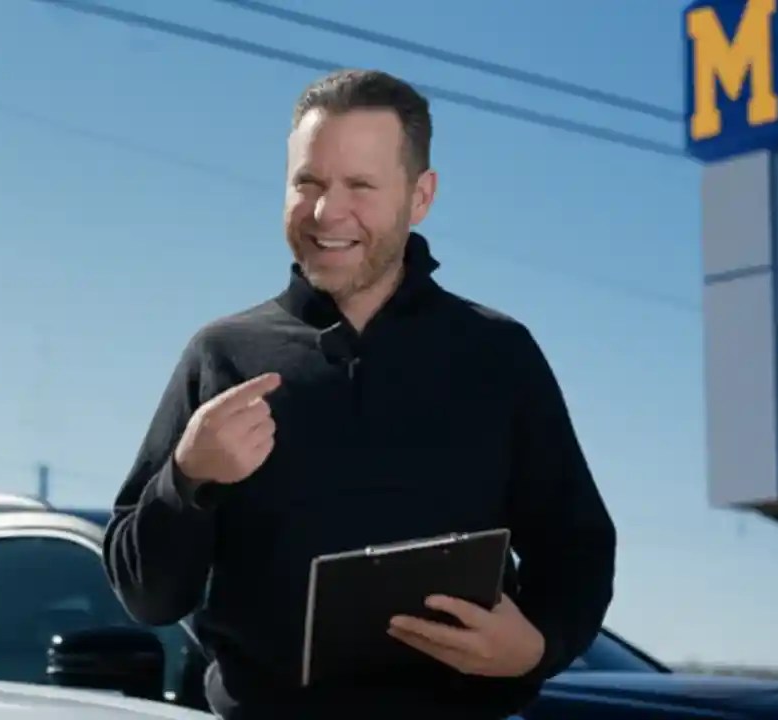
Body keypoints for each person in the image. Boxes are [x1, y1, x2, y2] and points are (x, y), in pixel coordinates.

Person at [102, 68, 617, 719]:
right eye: (307, 184)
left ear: (420, 196)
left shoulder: (497, 353)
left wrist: (537, 646)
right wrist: (187, 477)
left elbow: (578, 547)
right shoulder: (224, 355)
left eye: (361, 187)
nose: (326, 212)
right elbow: (146, 596)